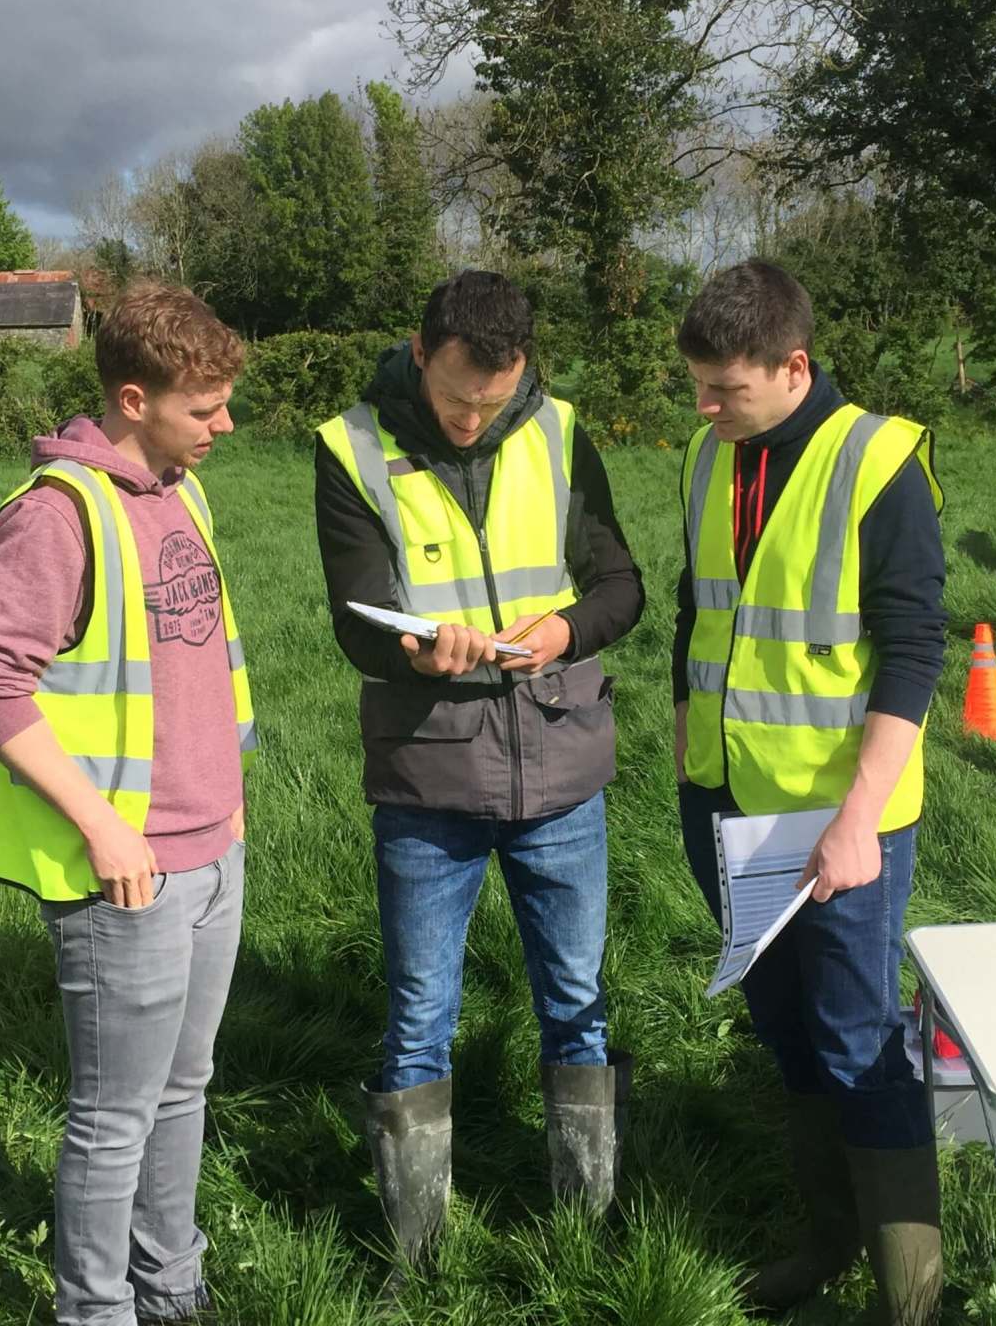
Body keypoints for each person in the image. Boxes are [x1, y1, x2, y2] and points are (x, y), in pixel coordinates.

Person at [313, 270, 644, 1270]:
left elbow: (622, 585)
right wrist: (411, 652)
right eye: (457, 398)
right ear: (420, 353)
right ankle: (419, 1255)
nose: (470, 420)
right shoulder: (349, 447)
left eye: (492, 403)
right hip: (428, 783)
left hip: (562, 772)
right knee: (418, 1014)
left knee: (577, 999)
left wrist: (565, 629)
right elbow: (355, 618)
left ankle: (586, 1233)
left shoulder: (560, 430)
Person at [0, 282, 257, 1326]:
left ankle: (172, 1286)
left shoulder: (181, 487)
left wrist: (229, 805)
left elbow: (206, 665)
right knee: (115, 1113)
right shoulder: (56, 513)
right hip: (124, 867)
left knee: (184, 1088)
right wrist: (104, 826)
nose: (226, 425)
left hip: (213, 846)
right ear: (134, 396)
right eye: (204, 409)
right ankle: (94, 1309)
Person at [671, 261, 947, 1325]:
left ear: (794, 366)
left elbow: (914, 647)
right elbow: (708, 620)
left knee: (857, 1038)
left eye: (723, 387)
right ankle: (827, 1246)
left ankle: (910, 1298)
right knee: (784, 1030)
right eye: (696, 384)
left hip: (840, 824)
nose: (703, 407)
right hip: (727, 804)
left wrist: (860, 819)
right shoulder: (712, 453)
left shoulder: (878, 459)